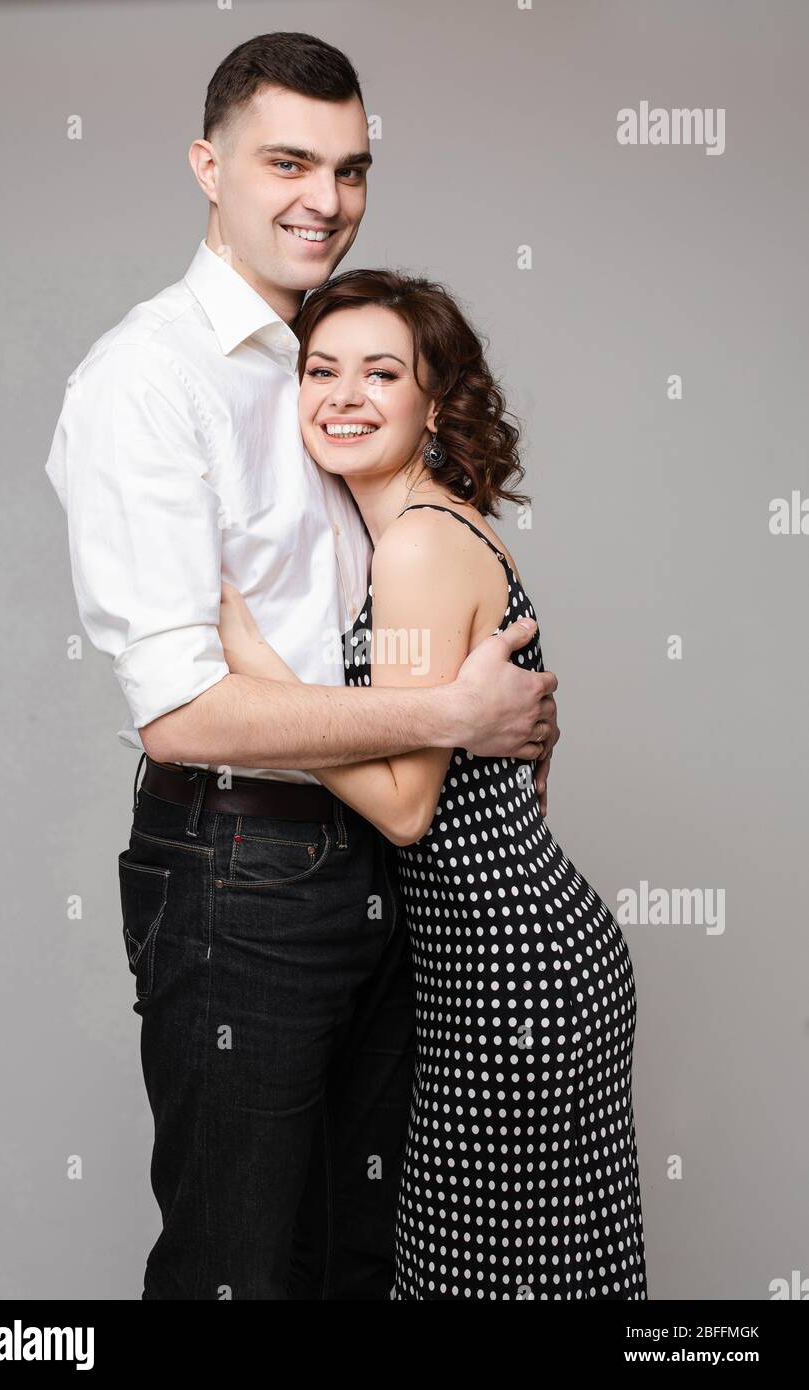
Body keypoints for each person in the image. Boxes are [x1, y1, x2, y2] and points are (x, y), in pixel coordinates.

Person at [44, 32, 559, 1300]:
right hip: (240, 866)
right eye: (287, 162)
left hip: (388, 867)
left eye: (349, 169)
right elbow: (179, 712)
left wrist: (494, 718)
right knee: (241, 1263)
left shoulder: (322, 360)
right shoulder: (149, 379)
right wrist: (452, 711)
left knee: (357, 1261)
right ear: (206, 165)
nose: (321, 201)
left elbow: (414, 599)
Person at [217, 268, 647, 1301]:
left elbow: (408, 808)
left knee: (494, 1279)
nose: (343, 395)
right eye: (321, 370)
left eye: (380, 372)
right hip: (500, 956)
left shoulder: (415, 542)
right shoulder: (426, 527)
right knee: (525, 1271)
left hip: (511, 968)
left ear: (435, 401)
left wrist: (254, 676)